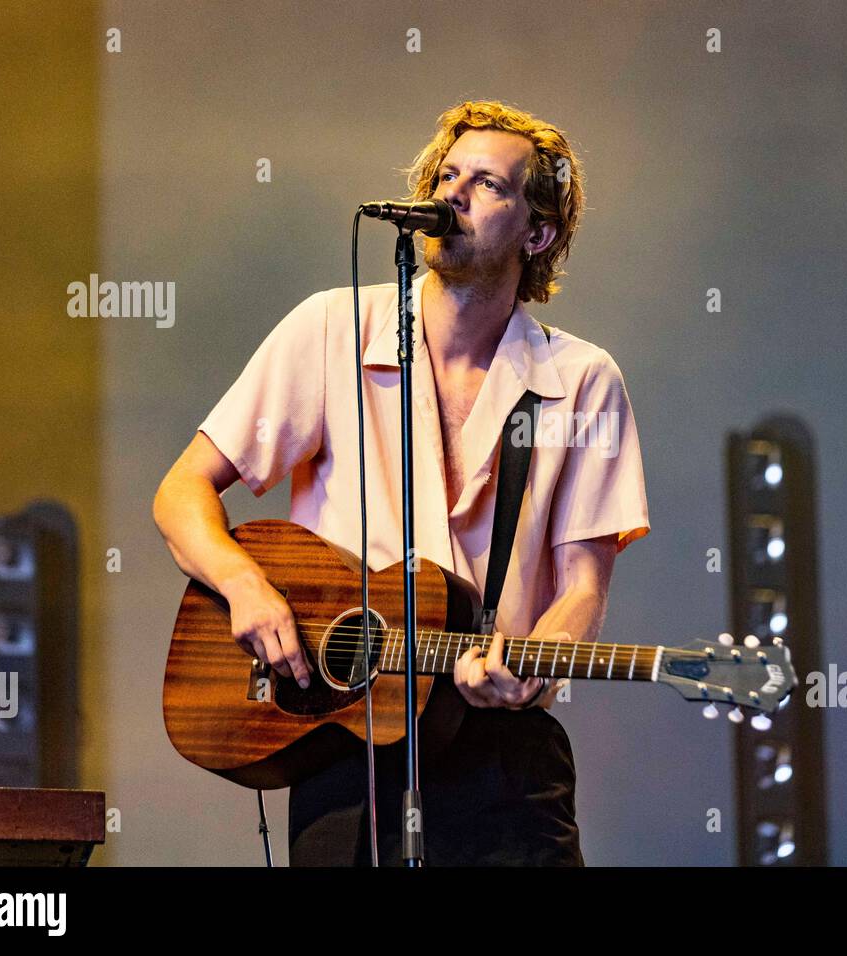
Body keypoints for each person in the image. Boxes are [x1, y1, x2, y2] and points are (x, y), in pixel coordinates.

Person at [152, 100, 650, 866]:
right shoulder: (329, 330)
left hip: (502, 759)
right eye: (448, 175)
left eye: (487, 184)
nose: (453, 194)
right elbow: (183, 489)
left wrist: (532, 661)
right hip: (345, 736)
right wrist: (245, 586)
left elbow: (584, 586)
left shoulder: (581, 381)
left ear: (538, 231)